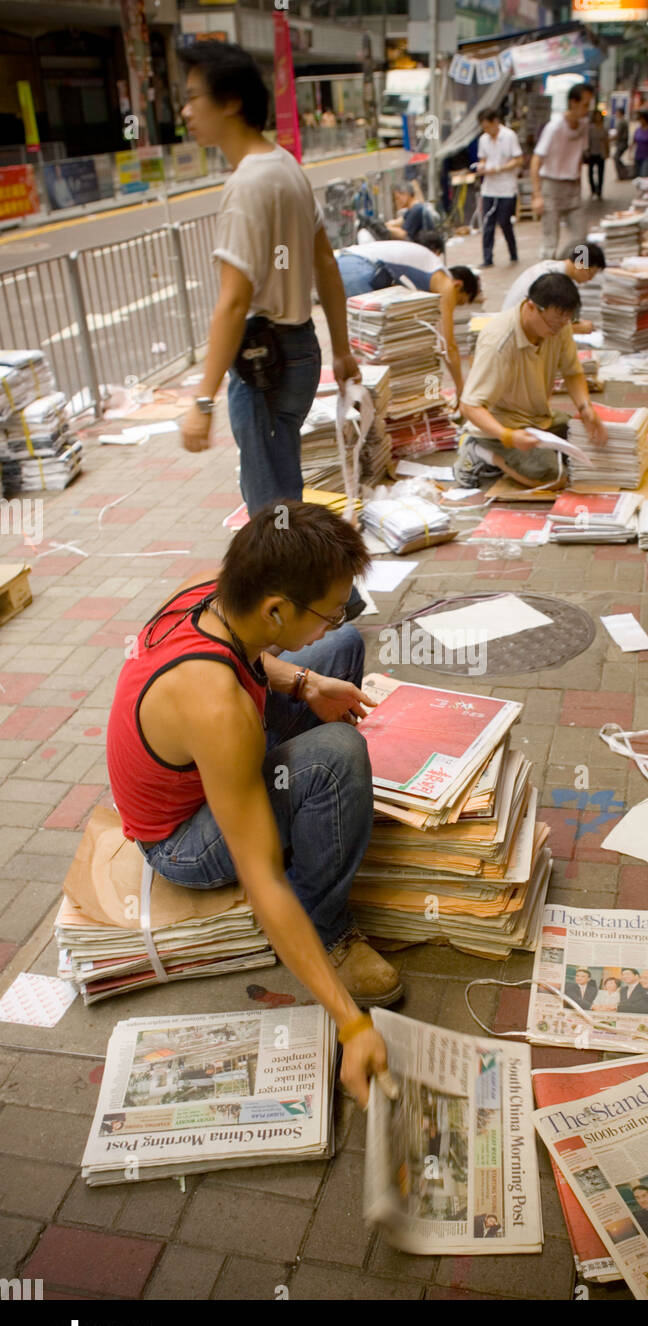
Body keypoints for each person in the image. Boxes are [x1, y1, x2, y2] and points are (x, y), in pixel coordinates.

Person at [105, 501, 402, 1108]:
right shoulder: (218, 709)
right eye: (325, 607)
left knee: (339, 651)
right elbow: (262, 878)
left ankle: (308, 798)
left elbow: (258, 656)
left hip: (215, 751)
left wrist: (305, 682)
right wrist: (350, 1022)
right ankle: (328, 930)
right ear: (276, 609)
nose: (334, 617)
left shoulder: (212, 597)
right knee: (334, 755)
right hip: (181, 839)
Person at [177, 42, 359, 517]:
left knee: (270, 509)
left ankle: (324, 589)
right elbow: (327, 267)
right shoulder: (287, 167)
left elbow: (234, 303)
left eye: (194, 97)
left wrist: (202, 399)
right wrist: (341, 349)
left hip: (262, 364)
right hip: (299, 352)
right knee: (284, 492)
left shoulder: (245, 185)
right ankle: (319, 586)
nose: (185, 110)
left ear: (231, 101)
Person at [456, 271, 607, 491]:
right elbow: (469, 406)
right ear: (530, 307)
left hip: (538, 420)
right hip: (500, 427)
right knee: (553, 478)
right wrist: (508, 436)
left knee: (592, 445)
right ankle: (479, 451)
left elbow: (572, 372)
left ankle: (521, 454)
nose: (558, 330)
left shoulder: (560, 326)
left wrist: (585, 408)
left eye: (565, 321)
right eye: (553, 324)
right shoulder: (498, 342)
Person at [335, 240, 480, 399]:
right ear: (458, 285)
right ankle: (381, 402)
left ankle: (372, 399)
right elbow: (448, 343)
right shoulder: (447, 285)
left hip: (344, 264)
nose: (453, 306)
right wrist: (461, 388)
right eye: (459, 301)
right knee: (383, 350)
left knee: (373, 343)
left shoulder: (427, 272)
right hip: (359, 267)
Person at [530, 84, 594, 258]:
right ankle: (548, 275)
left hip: (573, 186)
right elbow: (536, 160)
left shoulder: (584, 126)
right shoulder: (554, 127)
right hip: (552, 185)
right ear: (573, 103)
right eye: (585, 105)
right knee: (550, 240)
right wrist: (537, 195)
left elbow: (580, 157)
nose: (587, 110)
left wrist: (580, 184)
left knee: (581, 238)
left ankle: (578, 274)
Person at [501, 241, 606, 330]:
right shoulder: (553, 282)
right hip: (514, 328)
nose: (590, 279)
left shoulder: (552, 267)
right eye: (591, 273)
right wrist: (577, 328)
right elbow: (544, 324)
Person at [477, 106, 523, 267]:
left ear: (495, 122)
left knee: (504, 221)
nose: (487, 130)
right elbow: (482, 159)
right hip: (489, 187)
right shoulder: (483, 139)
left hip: (507, 186)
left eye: (488, 126)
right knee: (487, 222)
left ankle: (513, 252)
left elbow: (518, 160)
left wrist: (499, 168)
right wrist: (482, 167)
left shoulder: (509, 136)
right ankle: (487, 258)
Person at [586, 109, 609, 199]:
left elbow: (606, 141)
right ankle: (593, 190)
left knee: (600, 173)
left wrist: (607, 152)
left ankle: (599, 191)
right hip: (592, 153)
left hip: (601, 153)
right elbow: (587, 141)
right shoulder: (590, 128)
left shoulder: (604, 128)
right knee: (590, 173)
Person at [630, 111, 648, 178]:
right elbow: (633, 142)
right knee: (637, 175)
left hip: (647, 156)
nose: (640, 121)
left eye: (642, 119)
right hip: (638, 155)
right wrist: (630, 153)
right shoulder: (637, 130)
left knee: (644, 174)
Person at [613, 108, 630, 180]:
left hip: (622, 142)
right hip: (621, 142)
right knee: (616, 158)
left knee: (616, 158)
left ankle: (623, 172)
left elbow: (618, 135)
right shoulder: (622, 121)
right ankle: (623, 172)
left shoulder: (621, 122)